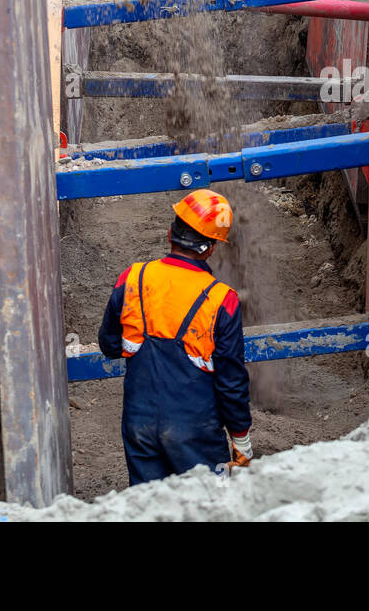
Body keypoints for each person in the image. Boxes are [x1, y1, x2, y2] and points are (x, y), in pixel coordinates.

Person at [98, 189, 253, 484]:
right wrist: (241, 436)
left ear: (170, 233)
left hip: (138, 424)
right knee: (208, 509)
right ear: (211, 249)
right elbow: (231, 380)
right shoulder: (222, 300)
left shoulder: (132, 277)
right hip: (195, 432)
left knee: (149, 508)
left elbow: (108, 345)